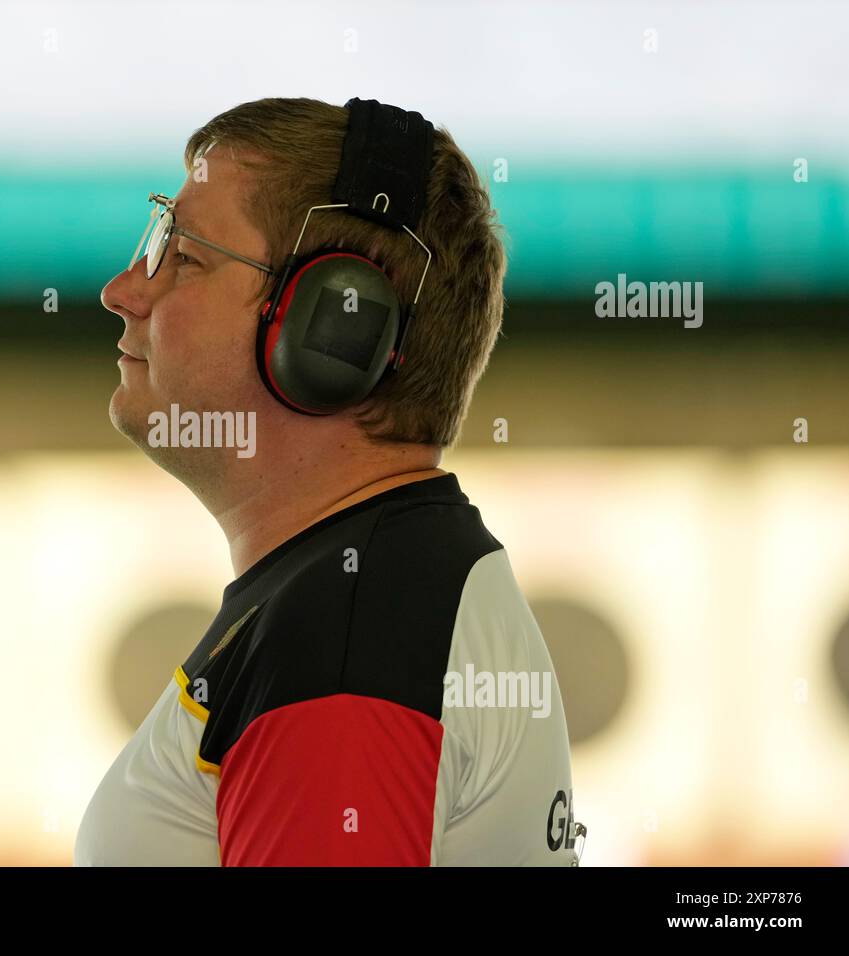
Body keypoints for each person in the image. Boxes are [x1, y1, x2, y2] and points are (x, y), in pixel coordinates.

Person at [75, 96, 579, 866]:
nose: (123, 290)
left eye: (186, 257)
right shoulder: (378, 590)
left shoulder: (343, 647)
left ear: (334, 326)